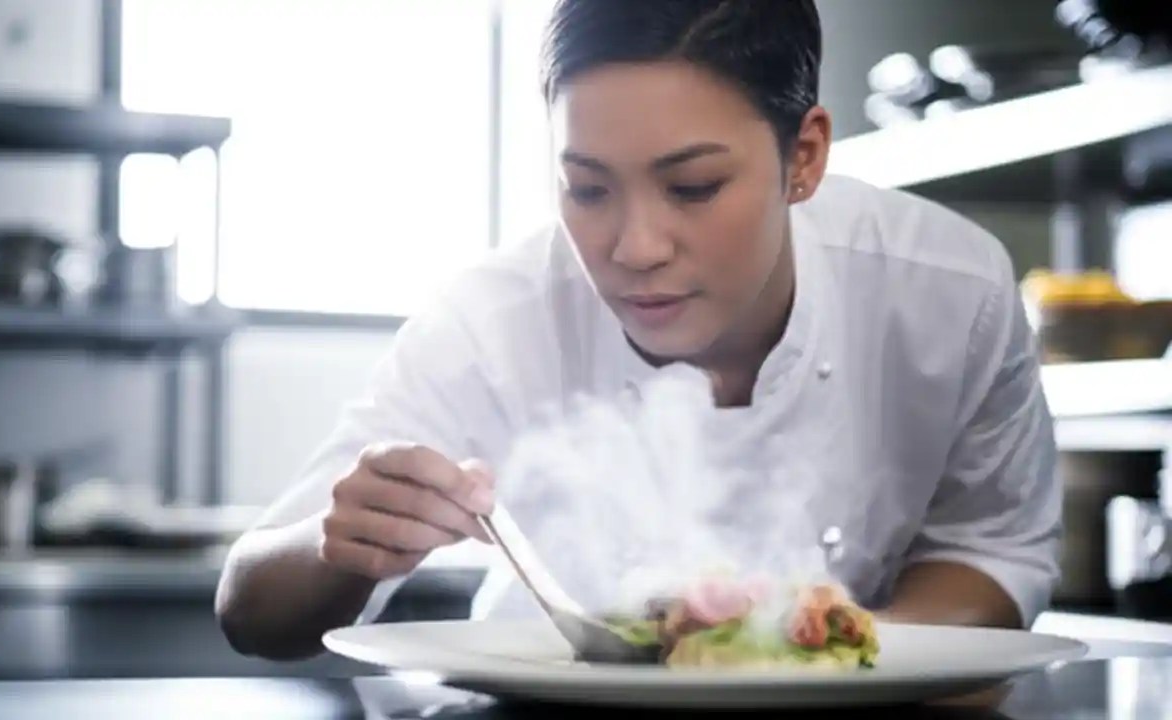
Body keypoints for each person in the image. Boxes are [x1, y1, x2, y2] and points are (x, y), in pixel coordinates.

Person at [215, 0, 1062, 661]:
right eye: (587, 189)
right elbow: (250, 607)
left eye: (692, 187)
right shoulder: (490, 319)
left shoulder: (949, 290)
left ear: (803, 158)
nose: (634, 248)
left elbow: (992, 551)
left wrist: (823, 663)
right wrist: (341, 543)